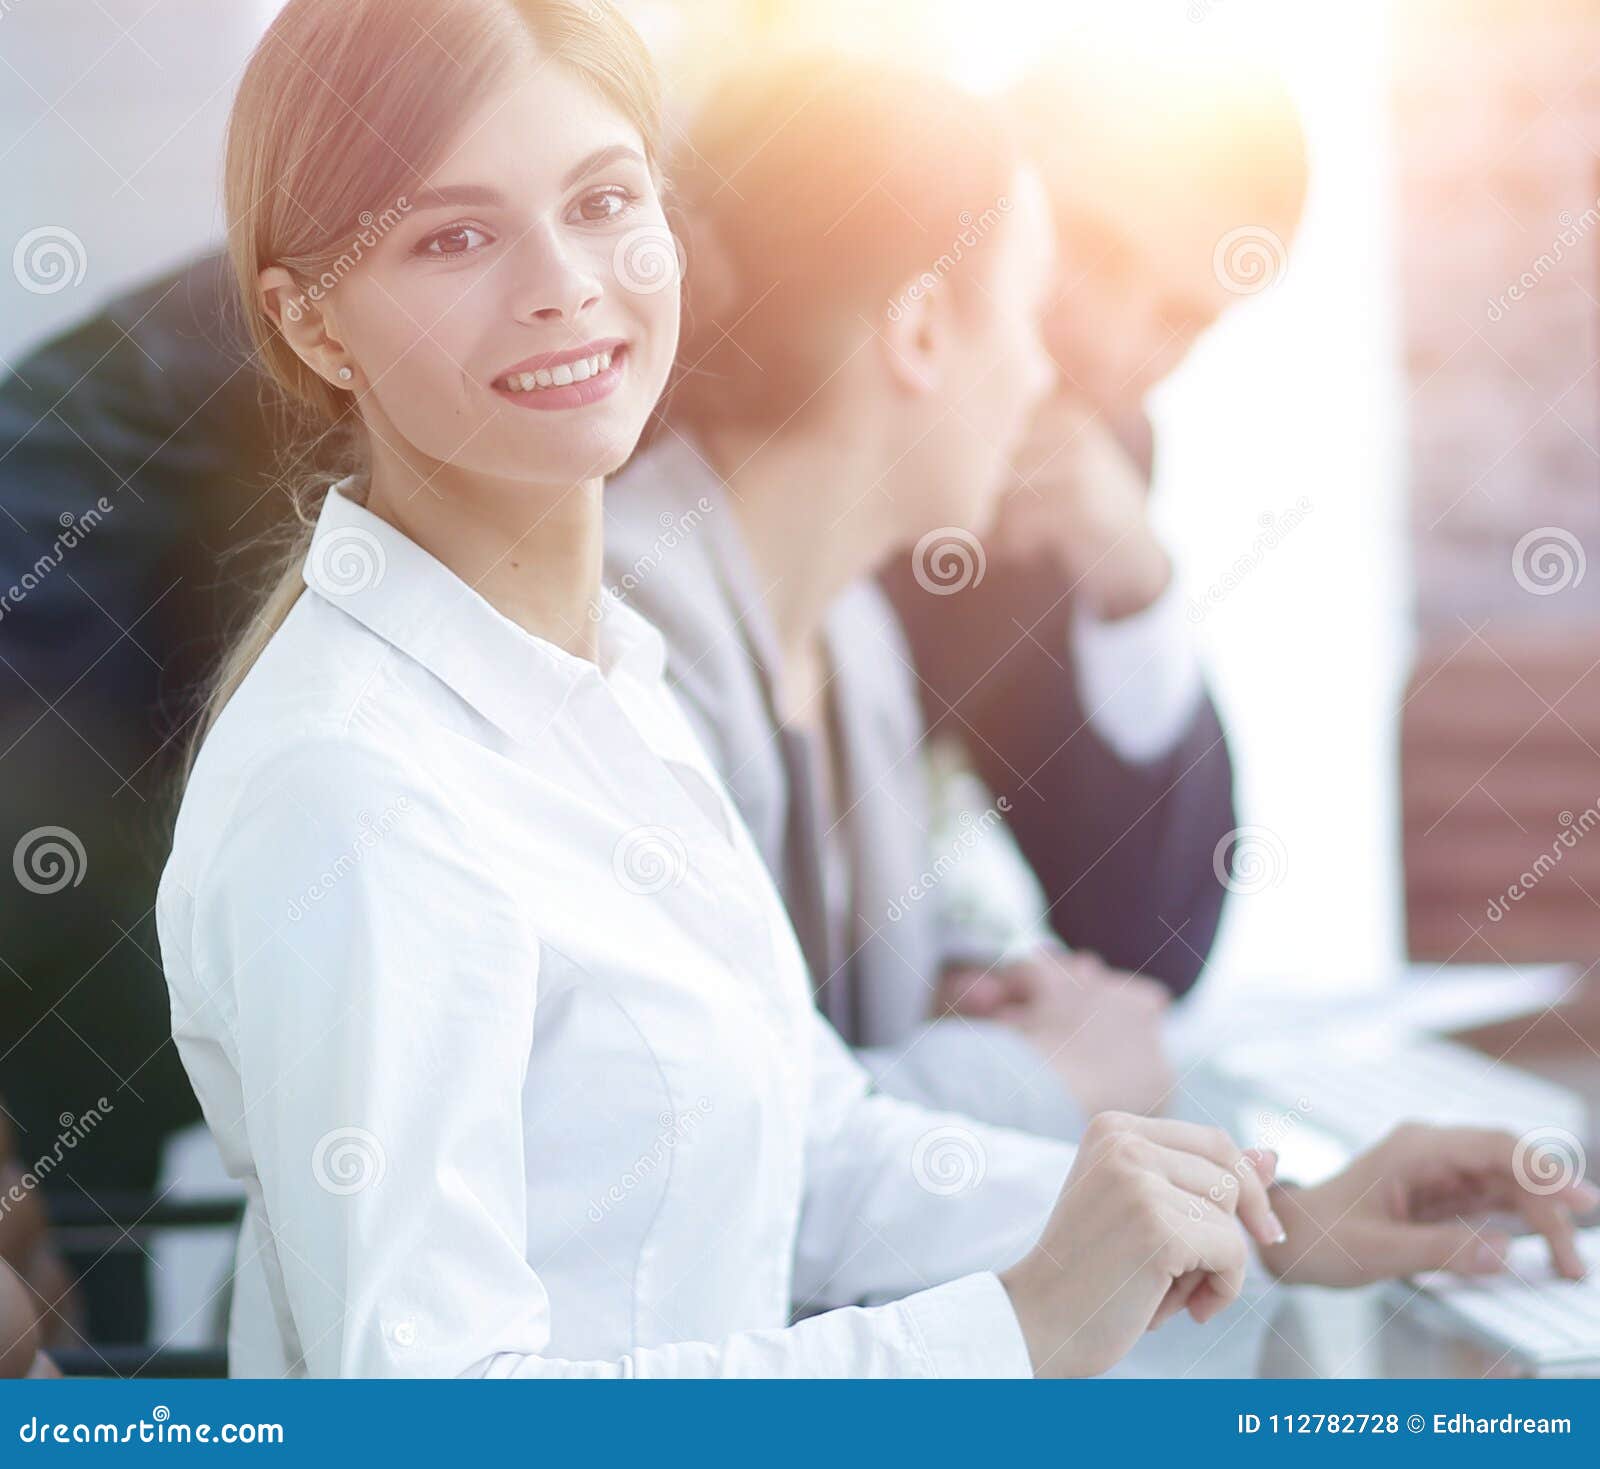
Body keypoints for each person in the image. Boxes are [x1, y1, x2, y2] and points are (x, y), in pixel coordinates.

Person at [75, 1, 1600, 1376]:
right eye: (453, 237)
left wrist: (1276, 1211)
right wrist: (1015, 1329)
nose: (566, 286)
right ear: (309, 319)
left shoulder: (608, 685)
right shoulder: (355, 789)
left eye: (605, 202)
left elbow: (802, 1150)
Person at [605, 55, 1171, 1137]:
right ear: (917, 332)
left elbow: (823, 1044)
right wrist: (1056, 1075)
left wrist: (961, 1001)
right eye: (1027, 311)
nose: (1046, 379)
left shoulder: (852, 634)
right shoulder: (619, 631)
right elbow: (718, 1138)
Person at [881, 35, 1310, 996]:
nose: (1109, 342)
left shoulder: (1086, 474)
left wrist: (1137, 588)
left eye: (1181, 318)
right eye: (1091, 242)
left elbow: (1146, 946)